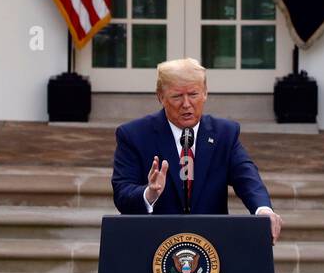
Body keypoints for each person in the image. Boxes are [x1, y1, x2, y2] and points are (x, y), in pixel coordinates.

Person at [111, 57, 283, 245]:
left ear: (205, 93)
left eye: (193, 94)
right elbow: (122, 194)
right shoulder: (134, 135)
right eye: (177, 96)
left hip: (211, 246)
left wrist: (263, 210)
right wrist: (149, 193)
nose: (186, 104)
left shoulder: (224, 133)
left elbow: (247, 178)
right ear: (160, 97)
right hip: (154, 245)